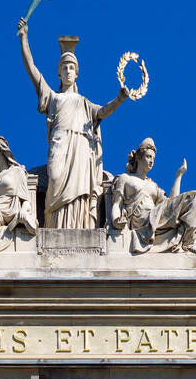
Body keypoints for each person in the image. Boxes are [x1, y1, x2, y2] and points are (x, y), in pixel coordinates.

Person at [18, 18, 128, 228]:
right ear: (59, 73)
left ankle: (80, 227)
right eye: (65, 68)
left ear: (77, 74)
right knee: (55, 177)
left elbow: (103, 112)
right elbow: (32, 69)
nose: (68, 71)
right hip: (60, 142)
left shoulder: (84, 103)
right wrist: (24, 38)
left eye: (72, 68)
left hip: (81, 146)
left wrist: (119, 99)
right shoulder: (53, 98)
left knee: (80, 190)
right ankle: (54, 225)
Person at [109, 138, 196, 254]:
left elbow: (171, 202)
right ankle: (188, 243)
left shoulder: (153, 185)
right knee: (194, 197)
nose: (151, 161)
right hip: (143, 220)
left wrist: (179, 176)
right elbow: (116, 203)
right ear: (138, 157)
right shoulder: (125, 178)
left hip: (156, 215)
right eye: (148, 157)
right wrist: (116, 220)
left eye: (153, 158)